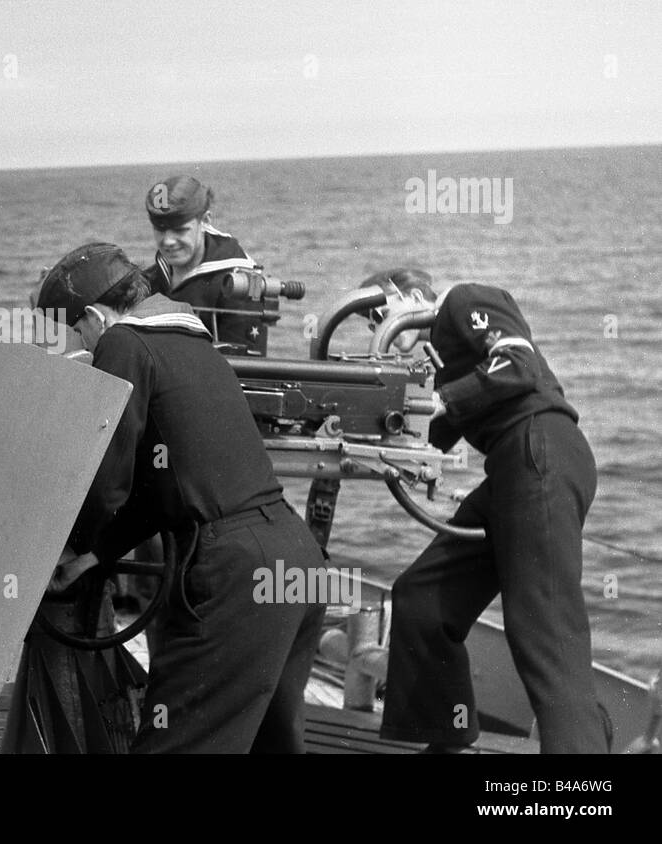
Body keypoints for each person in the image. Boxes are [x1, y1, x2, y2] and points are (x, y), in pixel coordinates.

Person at [35, 242, 326, 753]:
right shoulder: (191, 342)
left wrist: (63, 544)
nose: (80, 341)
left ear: (96, 316)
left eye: (76, 330)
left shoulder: (123, 344)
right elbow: (160, 490)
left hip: (233, 571)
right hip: (294, 556)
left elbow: (109, 483)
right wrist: (96, 555)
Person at [363, 268, 609, 754]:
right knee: (422, 598)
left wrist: (441, 399)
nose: (376, 328)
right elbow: (428, 438)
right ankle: (443, 739)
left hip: (541, 454)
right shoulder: (443, 363)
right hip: (513, 472)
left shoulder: (463, 302)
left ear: (412, 297)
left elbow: (517, 363)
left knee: (546, 639)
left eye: (378, 313)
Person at [144, 175, 271, 354]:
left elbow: (247, 368)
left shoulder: (247, 284)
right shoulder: (149, 279)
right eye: (160, 229)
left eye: (180, 230)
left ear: (205, 221)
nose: (168, 241)